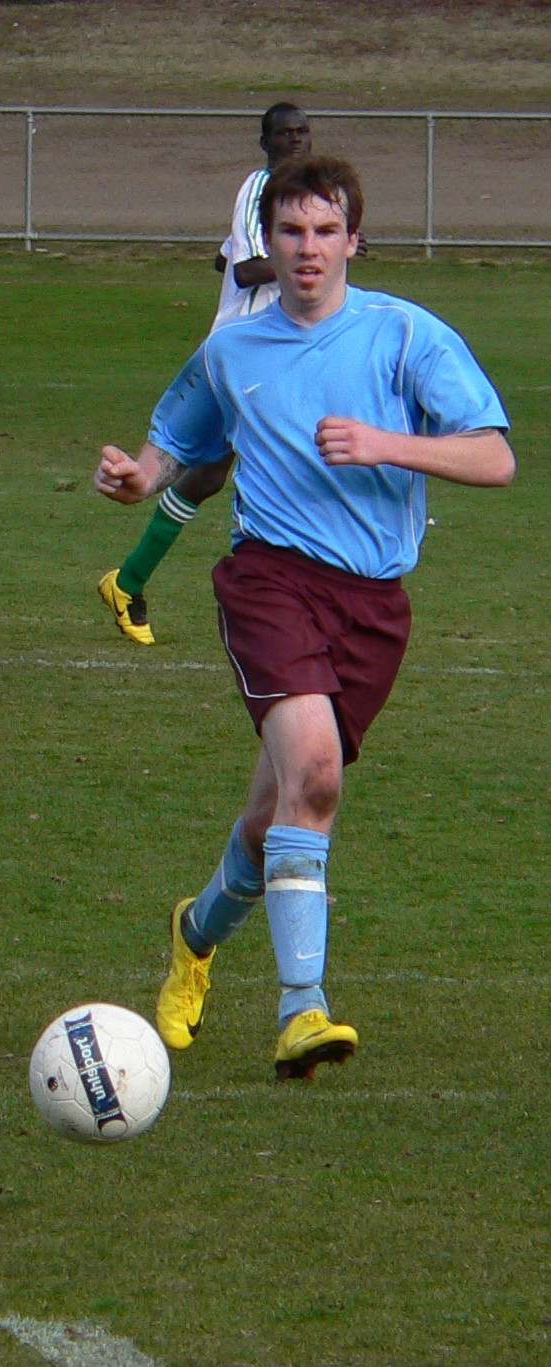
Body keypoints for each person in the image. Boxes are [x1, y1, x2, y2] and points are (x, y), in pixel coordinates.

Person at [94, 155, 514, 1078]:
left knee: (272, 818)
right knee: (316, 777)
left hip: (373, 607)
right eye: (291, 232)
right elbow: (175, 448)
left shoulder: (406, 336)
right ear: (266, 245)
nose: (309, 249)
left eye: (327, 232)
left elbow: (494, 458)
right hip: (271, 583)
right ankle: (302, 1009)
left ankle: (195, 934)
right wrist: (137, 479)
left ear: (354, 240)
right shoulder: (231, 351)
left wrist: (385, 444)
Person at [97, 102, 313, 646]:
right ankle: (275, 605)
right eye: (284, 134)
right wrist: (315, 261)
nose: (295, 141)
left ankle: (128, 580)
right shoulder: (259, 187)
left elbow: (224, 260)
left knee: (212, 475)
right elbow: (244, 269)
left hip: (274, 353)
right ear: (264, 141)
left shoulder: (295, 199)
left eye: (302, 132)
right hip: (240, 354)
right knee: (273, 461)